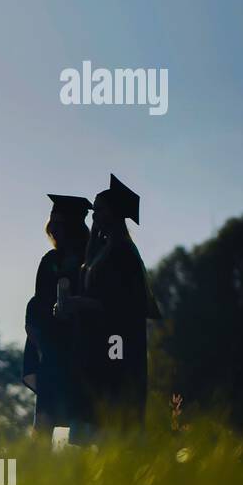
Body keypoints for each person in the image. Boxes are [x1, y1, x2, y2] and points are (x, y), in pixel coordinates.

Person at [56, 175, 161, 438]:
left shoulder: (123, 253)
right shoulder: (99, 252)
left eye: (100, 209)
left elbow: (119, 305)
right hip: (95, 346)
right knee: (93, 419)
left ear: (115, 213)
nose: (94, 215)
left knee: (111, 423)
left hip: (116, 347)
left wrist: (78, 304)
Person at [22, 194, 91, 435]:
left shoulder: (90, 261)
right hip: (52, 346)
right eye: (53, 223)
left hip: (77, 346)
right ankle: (39, 469)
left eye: (60, 224)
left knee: (79, 418)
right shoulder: (51, 260)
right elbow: (40, 300)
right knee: (47, 416)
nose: (54, 229)